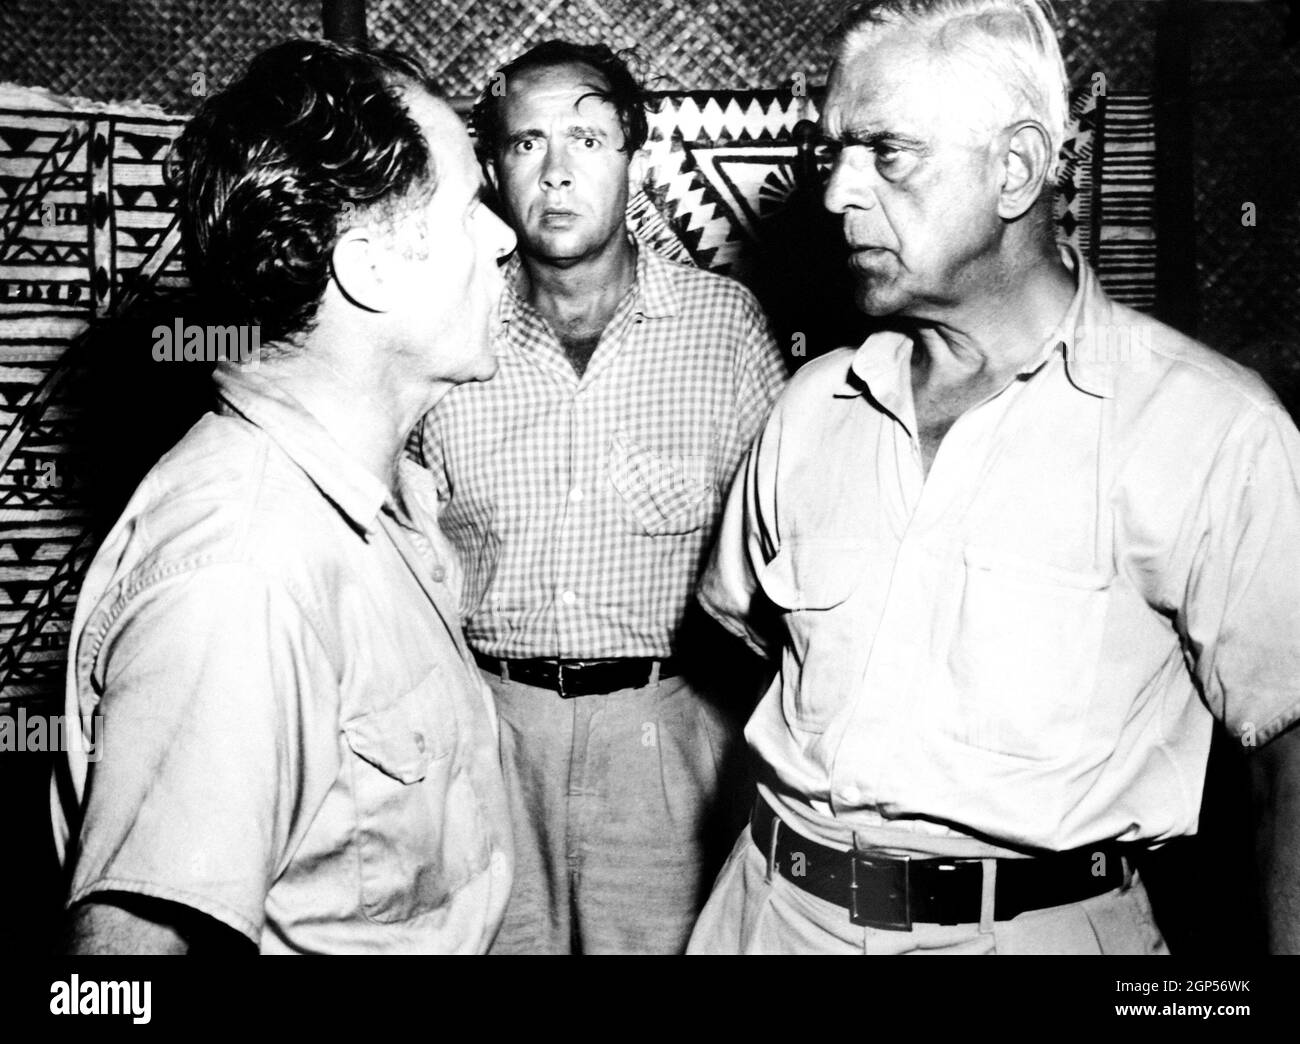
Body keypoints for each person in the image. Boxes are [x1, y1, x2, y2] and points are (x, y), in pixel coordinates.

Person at [689, 0, 1300, 955]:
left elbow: (1288, 765)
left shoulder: (1211, 429)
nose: (839, 192)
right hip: (768, 917)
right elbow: (742, 635)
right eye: (833, 154)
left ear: (1015, 168)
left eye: (886, 151)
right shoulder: (814, 405)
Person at [51, 39, 518, 954]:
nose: (505, 236)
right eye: (472, 206)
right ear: (371, 268)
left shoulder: (373, 504)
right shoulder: (244, 577)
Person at [415, 40, 787, 953]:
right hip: (488, 739)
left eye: (587, 138)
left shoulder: (721, 324)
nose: (556, 172)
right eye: (526, 143)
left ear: (633, 151)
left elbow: (789, 554)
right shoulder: (446, 336)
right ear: (493, 168)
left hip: (668, 748)